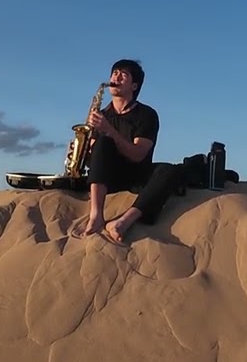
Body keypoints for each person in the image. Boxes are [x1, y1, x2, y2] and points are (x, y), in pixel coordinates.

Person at [69, 59, 184, 245]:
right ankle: (96, 216)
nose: (116, 76)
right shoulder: (102, 115)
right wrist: (79, 151)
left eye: (124, 74)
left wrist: (110, 130)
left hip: (137, 173)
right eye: (115, 72)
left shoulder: (147, 115)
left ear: (134, 86)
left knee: (170, 171)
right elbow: (95, 158)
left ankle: (124, 221)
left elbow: (139, 154)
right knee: (103, 142)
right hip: (109, 179)